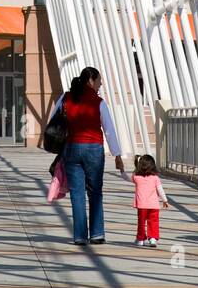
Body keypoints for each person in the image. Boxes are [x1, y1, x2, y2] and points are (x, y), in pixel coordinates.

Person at [47, 67, 124, 246]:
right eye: (99, 81)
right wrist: (117, 154)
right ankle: (97, 233)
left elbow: (53, 119)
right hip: (93, 150)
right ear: (90, 81)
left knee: (77, 193)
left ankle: (80, 236)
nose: (101, 84)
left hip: (71, 149)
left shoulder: (66, 98)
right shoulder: (98, 102)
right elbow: (109, 130)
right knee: (95, 191)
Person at [127, 154, 169, 248]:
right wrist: (165, 200)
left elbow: (126, 177)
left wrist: (122, 171)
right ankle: (153, 238)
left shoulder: (136, 177)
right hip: (154, 205)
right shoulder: (155, 178)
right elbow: (160, 190)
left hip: (142, 205)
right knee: (153, 221)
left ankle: (140, 239)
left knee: (141, 222)